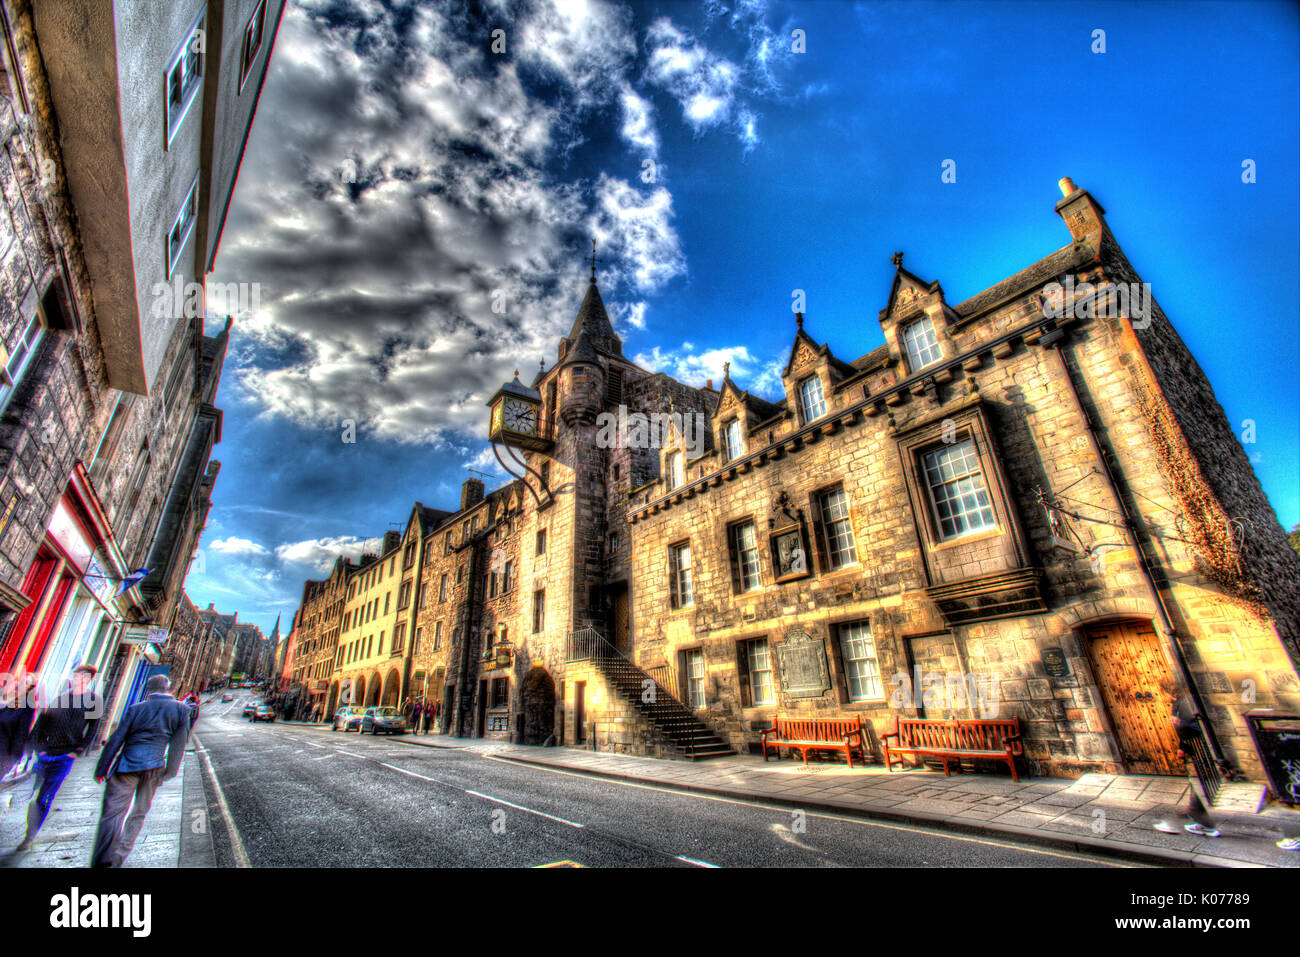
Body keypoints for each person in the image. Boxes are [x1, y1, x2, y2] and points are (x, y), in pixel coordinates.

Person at [90, 673, 190, 868]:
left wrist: (102, 767)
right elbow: (178, 744)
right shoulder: (181, 709)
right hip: (154, 767)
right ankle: (118, 856)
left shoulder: (136, 708)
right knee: (139, 813)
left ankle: (102, 860)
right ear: (168, 689)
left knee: (113, 814)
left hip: (126, 765)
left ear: (149, 690)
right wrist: (170, 771)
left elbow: (116, 739)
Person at [14, 665, 102, 852]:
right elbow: (42, 722)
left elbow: (93, 729)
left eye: (83, 677)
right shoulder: (60, 697)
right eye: (77, 675)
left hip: (64, 756)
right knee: (28, 794)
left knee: (45, 797)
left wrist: (77, 750)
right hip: (45, 753)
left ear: (90, 679)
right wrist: (36, 747)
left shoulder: (94, 701)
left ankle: (29, 836)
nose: (79, 679)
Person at [1153, 684, 1221, 838]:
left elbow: (1197, 727)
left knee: (1198, 785)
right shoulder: (1178, 704)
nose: (1162, 697)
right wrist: (1182, 746)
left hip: (1200, 750)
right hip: (1192, 748)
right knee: (1196, 785)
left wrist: (1179, 723)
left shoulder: (1185, 704)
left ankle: (1205, 823)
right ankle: (1198, 816)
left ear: (1171, 692)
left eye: (1163, 693)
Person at [0, 673, 36, 782]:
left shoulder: (27, 706)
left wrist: (11, 760)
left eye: (25, 683)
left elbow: (21, 733)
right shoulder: (6, 699)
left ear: (28, 689)